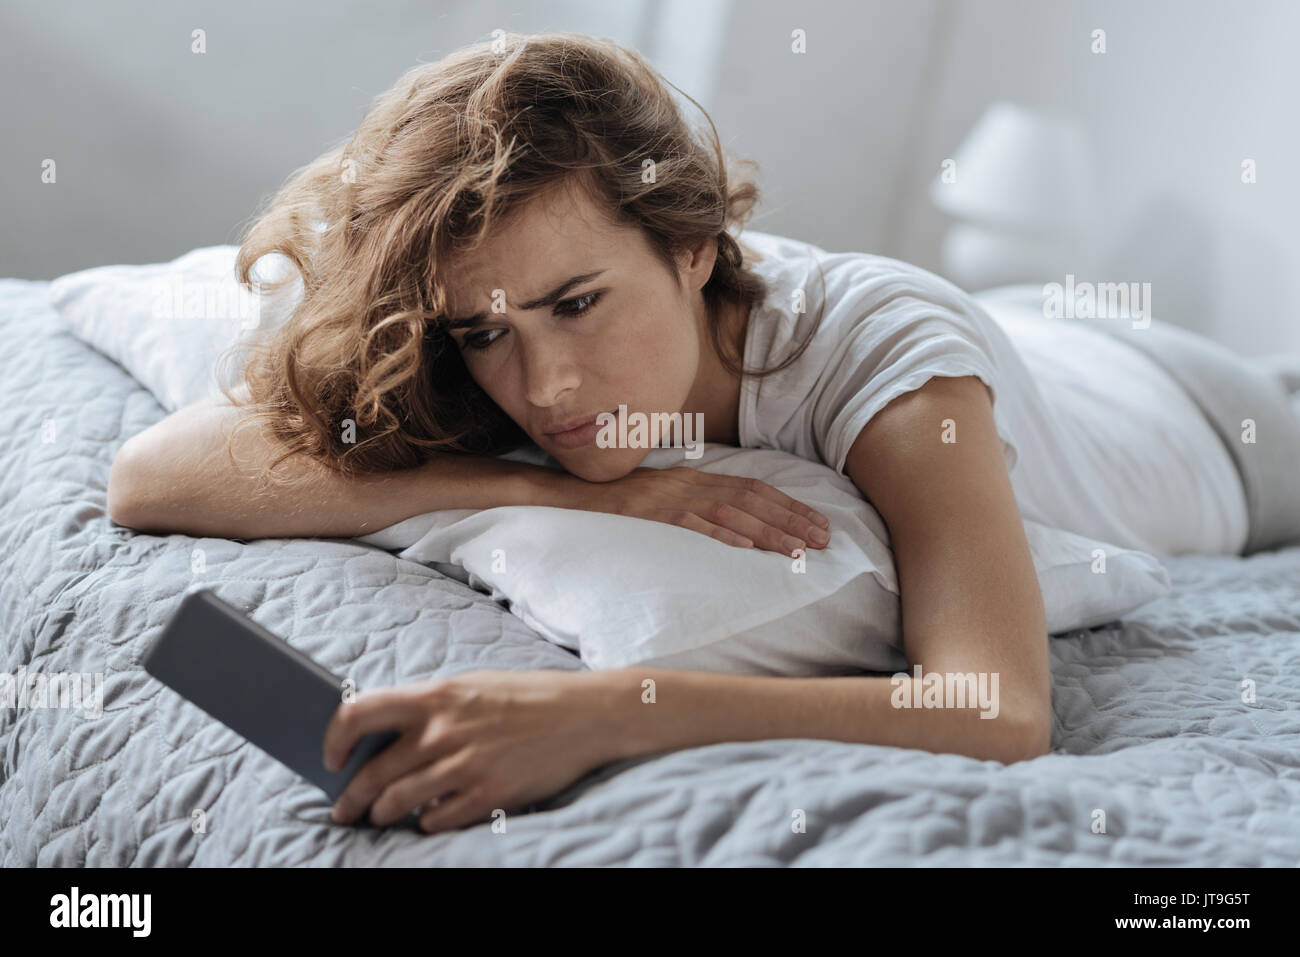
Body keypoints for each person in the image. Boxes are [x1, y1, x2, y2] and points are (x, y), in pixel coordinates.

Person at [110, 30, 1248, 834]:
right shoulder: (487, 345)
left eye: (579, 303)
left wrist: (600, 713)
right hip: (1041, 346)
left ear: (692, 247)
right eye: (485, 331)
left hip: (1199, 422)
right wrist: (580, 494)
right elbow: (148, 478)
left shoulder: (883, 364)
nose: (545, 386)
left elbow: (995, 711)